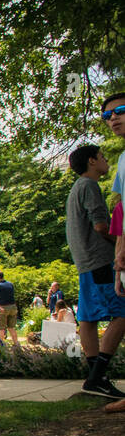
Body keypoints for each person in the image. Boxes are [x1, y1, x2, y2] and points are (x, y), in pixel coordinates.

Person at [65, 143, 125, 398]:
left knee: (87, 319)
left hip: (84, 262)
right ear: (91, 161)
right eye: (101, 157)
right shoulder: (89, 186)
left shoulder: (76, 188)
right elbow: (102, 226)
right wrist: (121, 243)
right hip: (100, 260)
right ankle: (98, 375)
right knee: (123, 312)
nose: (106, 161)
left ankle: (94, 378)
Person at [0, 270, 20, 346]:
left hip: (3, 307)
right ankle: (16, 343)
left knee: (1, 327)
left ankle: (2, 344)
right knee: (11, 327)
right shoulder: (10, 284)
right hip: (13, 307)